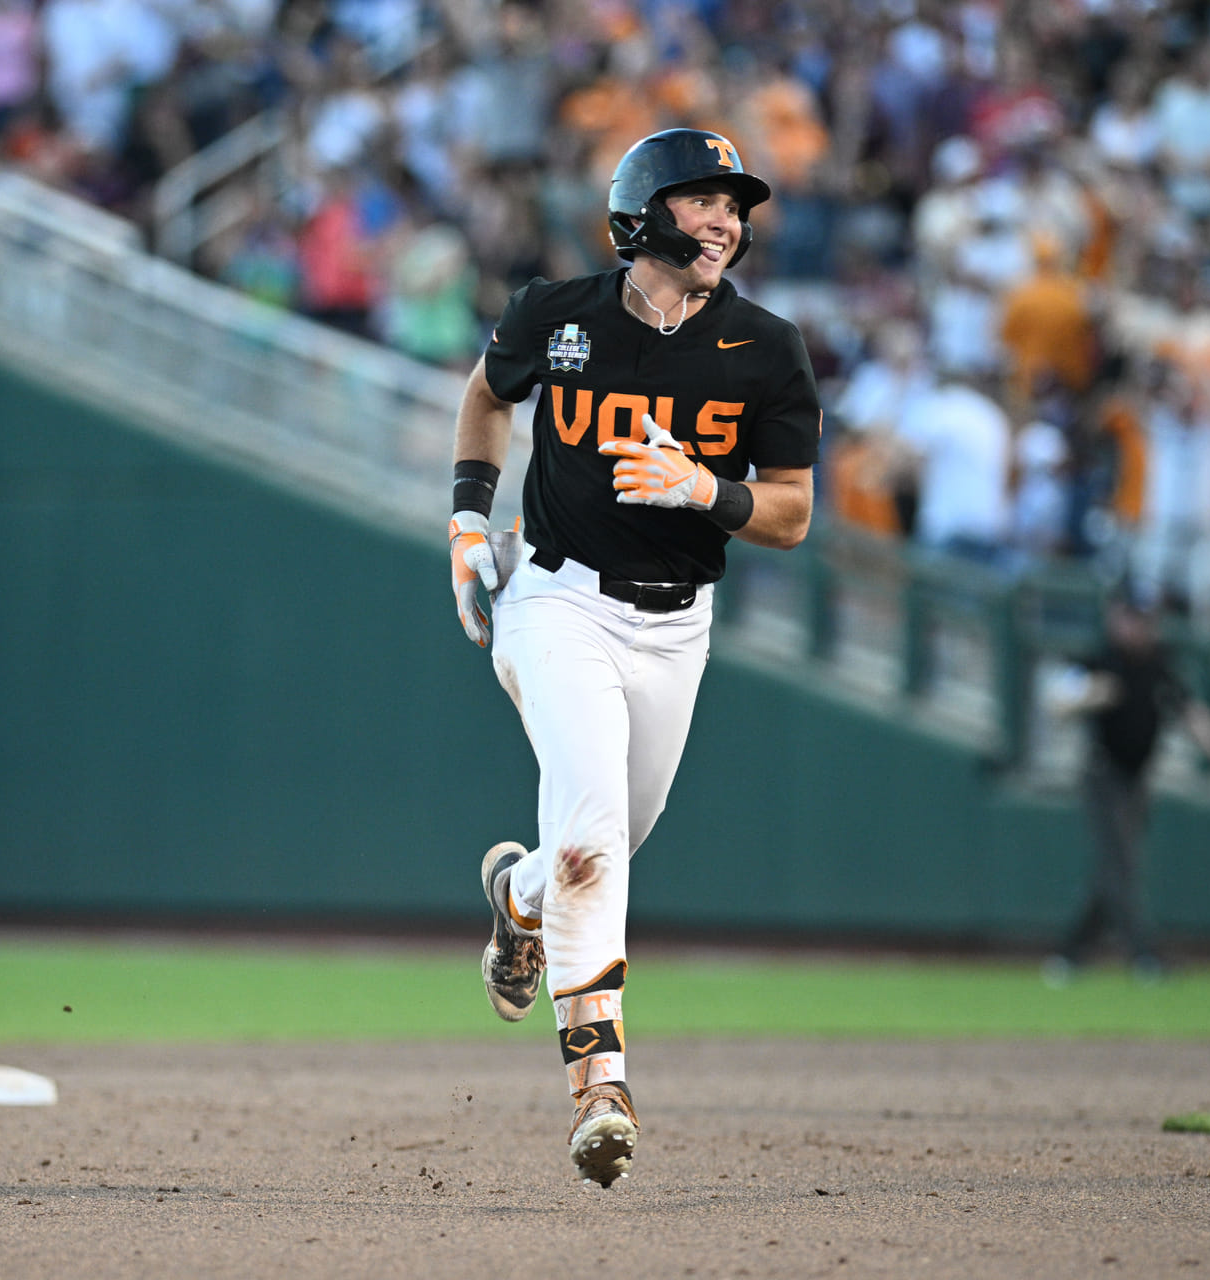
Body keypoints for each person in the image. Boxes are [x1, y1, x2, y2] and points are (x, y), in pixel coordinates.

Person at [447, 128, 822, 1186]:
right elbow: (486, 397)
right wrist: (469, 523)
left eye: (735, 206)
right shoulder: (554, 315)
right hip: (556, 598)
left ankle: (519, 901)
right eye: (705, 199)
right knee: (595, 841)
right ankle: (599, 1082)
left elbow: (792, 514)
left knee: (603, 838)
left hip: (675, 626)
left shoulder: (768, 345)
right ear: (644, 211)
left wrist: (709, 490)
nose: (727, 220)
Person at [1043, 589, 1210, 986]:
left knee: (1113, 871)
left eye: (1142, 619)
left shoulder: (1157, 665)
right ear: (1114, 619)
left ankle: (1068, 954)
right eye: (1129, 618)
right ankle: (1145, 955)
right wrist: (1092, 695)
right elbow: (1057, 701)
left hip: (1137, 778)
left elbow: (1187, 706)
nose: (1135, 627)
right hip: (1102, 775)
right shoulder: (1100, 660)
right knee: (1120, 865)